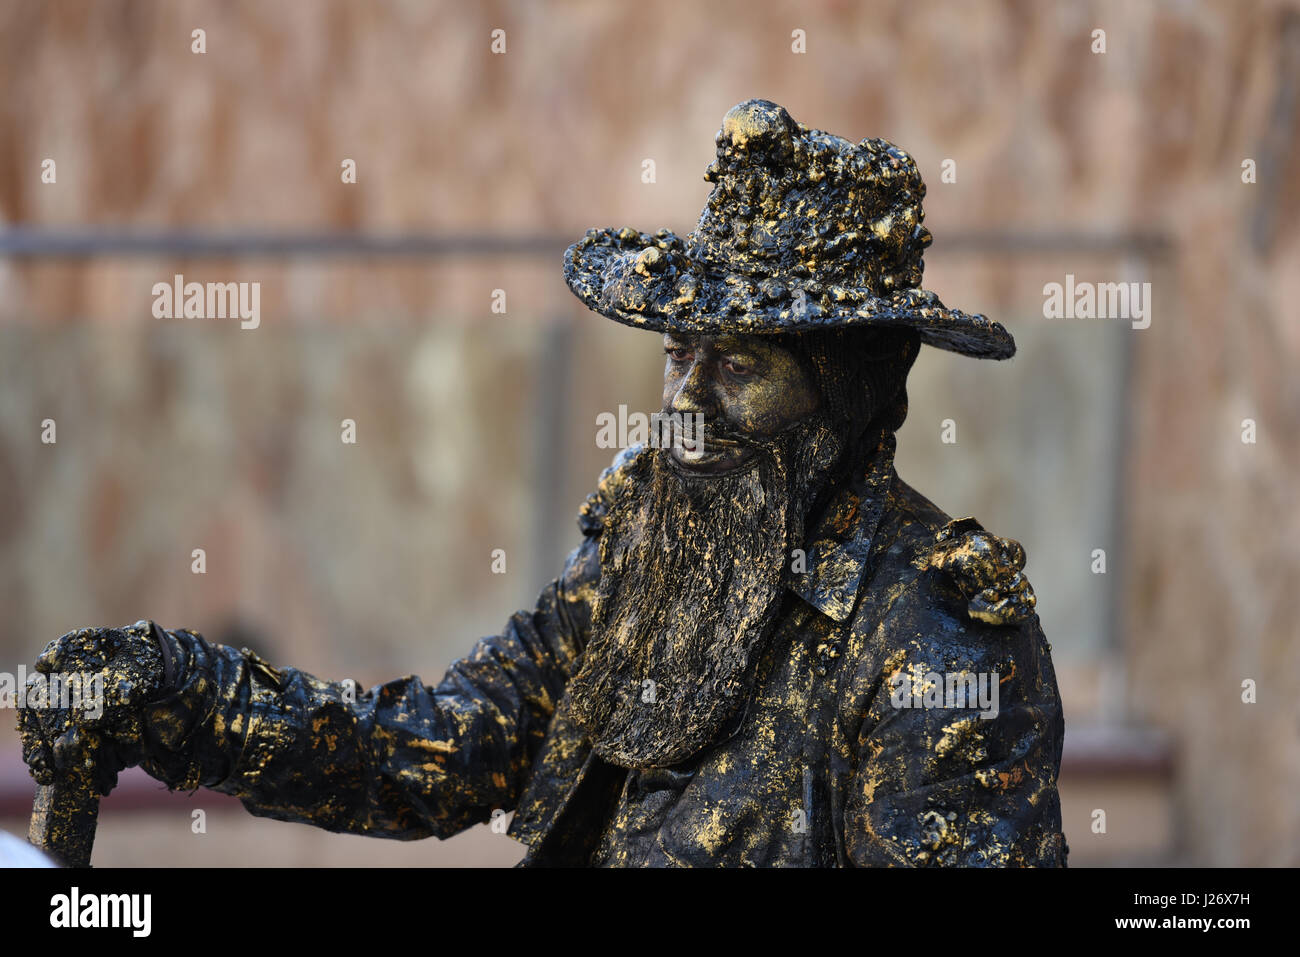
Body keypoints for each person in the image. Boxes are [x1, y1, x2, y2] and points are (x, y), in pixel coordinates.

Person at [20, 99, 1067, 867]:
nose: (684, 400)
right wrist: (182, 698)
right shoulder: (651, 553)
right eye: (678, 353)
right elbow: (438, 753)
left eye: (737, 366)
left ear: (846, 396)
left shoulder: (935, 639)